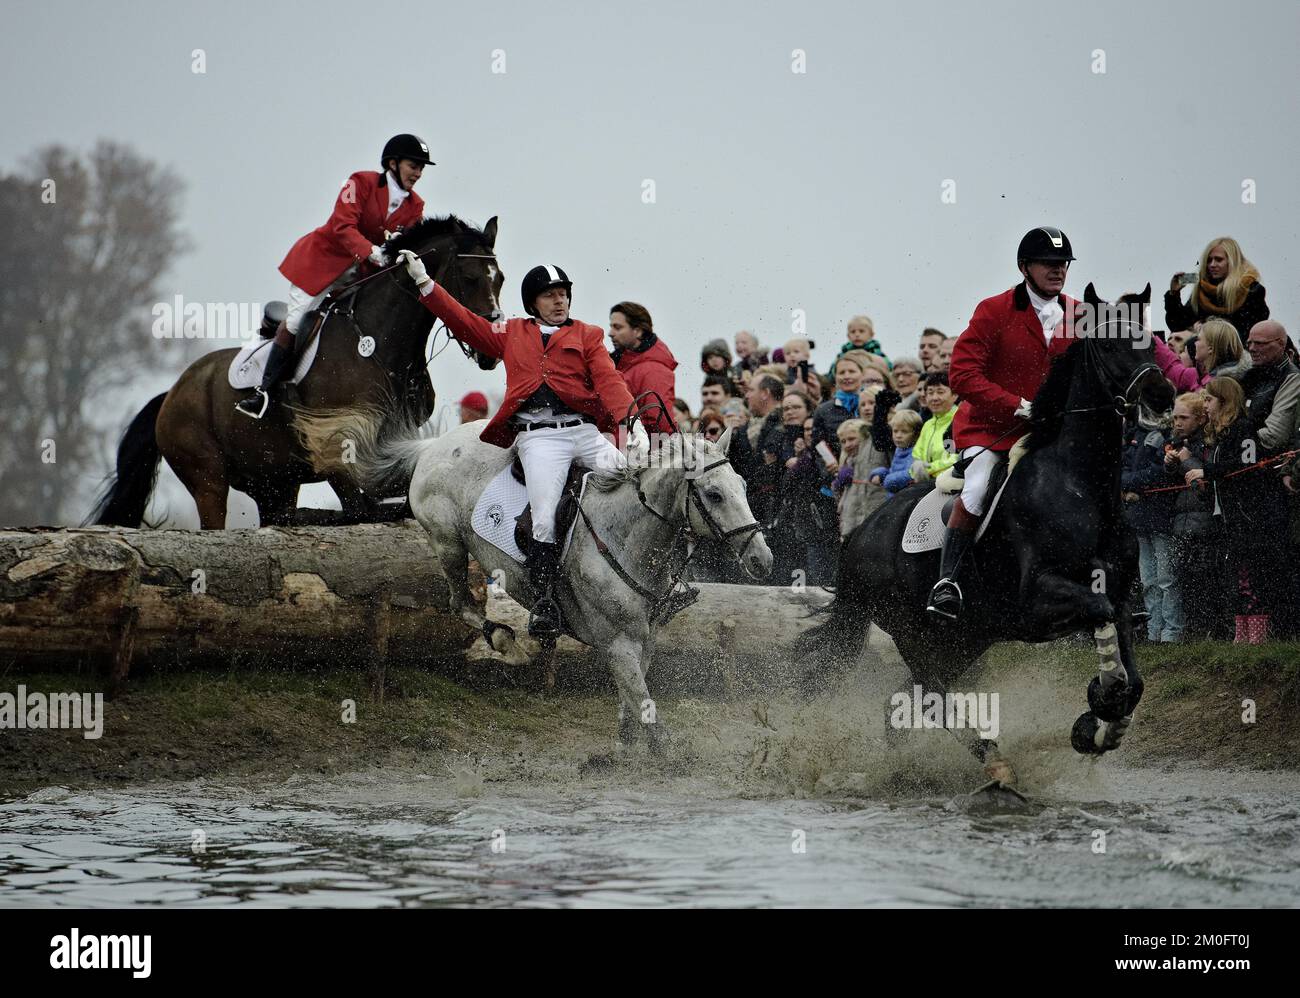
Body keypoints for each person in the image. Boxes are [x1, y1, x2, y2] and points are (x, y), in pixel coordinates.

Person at [399, 252, 647, 638]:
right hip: (540, 439)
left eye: (563, 293)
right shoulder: (511, 333)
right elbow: (464, 322)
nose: (560, 300)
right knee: (544, 517)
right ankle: (547, 603)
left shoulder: (588, 335)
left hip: (583, 433)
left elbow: (609, 380)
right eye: (550, 295)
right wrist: (426, 285)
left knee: (635, 483)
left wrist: (631, 419)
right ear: (534, 302)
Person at [929, 225, 1079, 619]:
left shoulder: (1079, 314)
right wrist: (1016, 405)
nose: (1058, 270)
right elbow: (962, 375)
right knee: (979, 486)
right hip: (992, 429)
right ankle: (948, 582)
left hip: (1051, 433)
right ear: (1024, 267)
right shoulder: (994, 310)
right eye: (1048, 263)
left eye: (1062, 264)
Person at [237, 134, 434, 419]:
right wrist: (373, 251)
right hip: (323, 262)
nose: (417, 173)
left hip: (363, 275)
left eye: (421, 168)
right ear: (392, 163)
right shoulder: (360, 182)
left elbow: (407, 240)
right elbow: (343, 226)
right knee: (294, 321)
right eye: (413, 165)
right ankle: (264, 392)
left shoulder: (415, 205)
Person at [1182, 377, 1272, 643]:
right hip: (1227, 516)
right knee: (1235, 575)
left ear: (1225, 401)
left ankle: (1257, 636)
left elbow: (1247, 465)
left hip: (1246, 516)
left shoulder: (1243, 428)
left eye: (1209, 399)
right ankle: (1241, 633)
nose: (1205, 405)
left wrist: (1207, 471)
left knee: (1251, 575)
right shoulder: (1220, 435)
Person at [1164, 393, 1222, 639]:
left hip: (1204, 522)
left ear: (1199, 418)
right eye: (1175, 417)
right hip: (1182, 521)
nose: (1178, 423)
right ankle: (1194, 630)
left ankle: (1210, 629)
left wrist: (1186, 461)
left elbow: (1203, 482)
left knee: (1205, 578)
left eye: (1184, 418)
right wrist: (1169, 465)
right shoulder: (1178, 443)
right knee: (1185, 579)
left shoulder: (1204, 443)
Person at [1122, 408, 1180, 641]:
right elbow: (1124, 467)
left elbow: (1159, 473)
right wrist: (1130, 484)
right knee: (1148, 580)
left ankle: (1172, 631)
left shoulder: (1168, 436)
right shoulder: (1137, 433)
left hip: (1161, 517)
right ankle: (1153, 629)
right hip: (1138, 519)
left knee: (1167, 578)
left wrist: (1132, 486)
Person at [1164, 237, 1270, 344]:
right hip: (1205, 355)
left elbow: (1250, 332)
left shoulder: (1251, 290)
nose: (1212, 265)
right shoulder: (1202, 290)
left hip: (1239, 355)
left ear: (1232, 261)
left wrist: (1208, 330)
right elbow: (1178, 325)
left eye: (1218, 260)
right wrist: (1174, 294)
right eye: (1209, 260)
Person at [609, 301, 678, 432]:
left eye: (617, 327)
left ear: (638, 331)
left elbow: (659, 422)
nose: (610, 333)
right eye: (611, 326)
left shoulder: (652, 370)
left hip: (637, 449)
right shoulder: (622, 365)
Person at [1239, 320, 1300, 454]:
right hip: (1247, 457)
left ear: (1281, 344)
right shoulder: (1250, 376)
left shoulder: (1292, 378)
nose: (1252, 348)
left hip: (1266, 465)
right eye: (1249, 343)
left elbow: (1274, 436)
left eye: (1260, 343)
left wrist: (1235, 442)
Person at [1153, 317, 1247, 392]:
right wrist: (1151, 340)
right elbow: (1175, 370)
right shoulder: (1199, 375)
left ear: (1211, 348)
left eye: (1198, 339)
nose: (1194, 344)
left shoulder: (1223, 387)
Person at [811, 351, 868, 455]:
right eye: (841, 373)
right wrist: (830, 464)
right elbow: (818, 445)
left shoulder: (872, 403)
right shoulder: (823, 410)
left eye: (852, 371)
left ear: (862, 375)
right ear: (835, 378)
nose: (846, 376)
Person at [909, 371, 960, 483]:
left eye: (940, 392)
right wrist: (917, 470)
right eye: (930, 393)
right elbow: (916, 457)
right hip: (925, 483)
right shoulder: (928, 425)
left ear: (954, 395)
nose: (934, 398)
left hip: (949, 483)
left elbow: (956, 458)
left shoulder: (958, 421)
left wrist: (929, 469)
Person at [870, 409, 922, 496]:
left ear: (916, 434)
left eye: (904, 431)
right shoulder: (900, 450)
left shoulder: (917, 452)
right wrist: (881, 474)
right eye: (895, 431)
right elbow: (894, 471)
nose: (898, 436)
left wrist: (889, 480)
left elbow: (911, 474)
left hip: (907, 500)